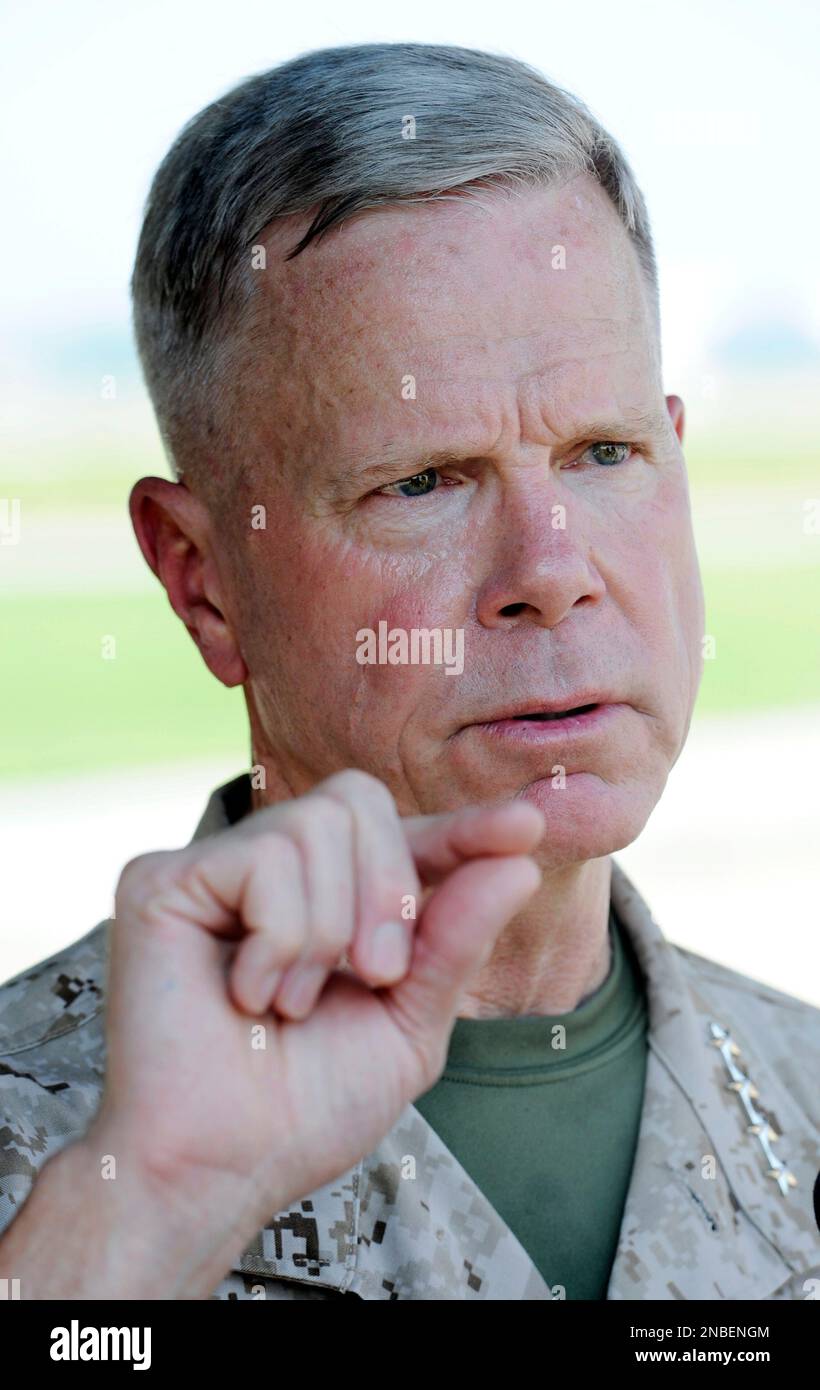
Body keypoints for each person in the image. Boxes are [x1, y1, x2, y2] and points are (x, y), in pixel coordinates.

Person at [1, 41, 818, 1301]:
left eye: (603, 453)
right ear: (202, 580)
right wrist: (135, 1233)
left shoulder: (803, 1097)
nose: (551, 569)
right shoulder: (50, 1169)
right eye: (421, 482)